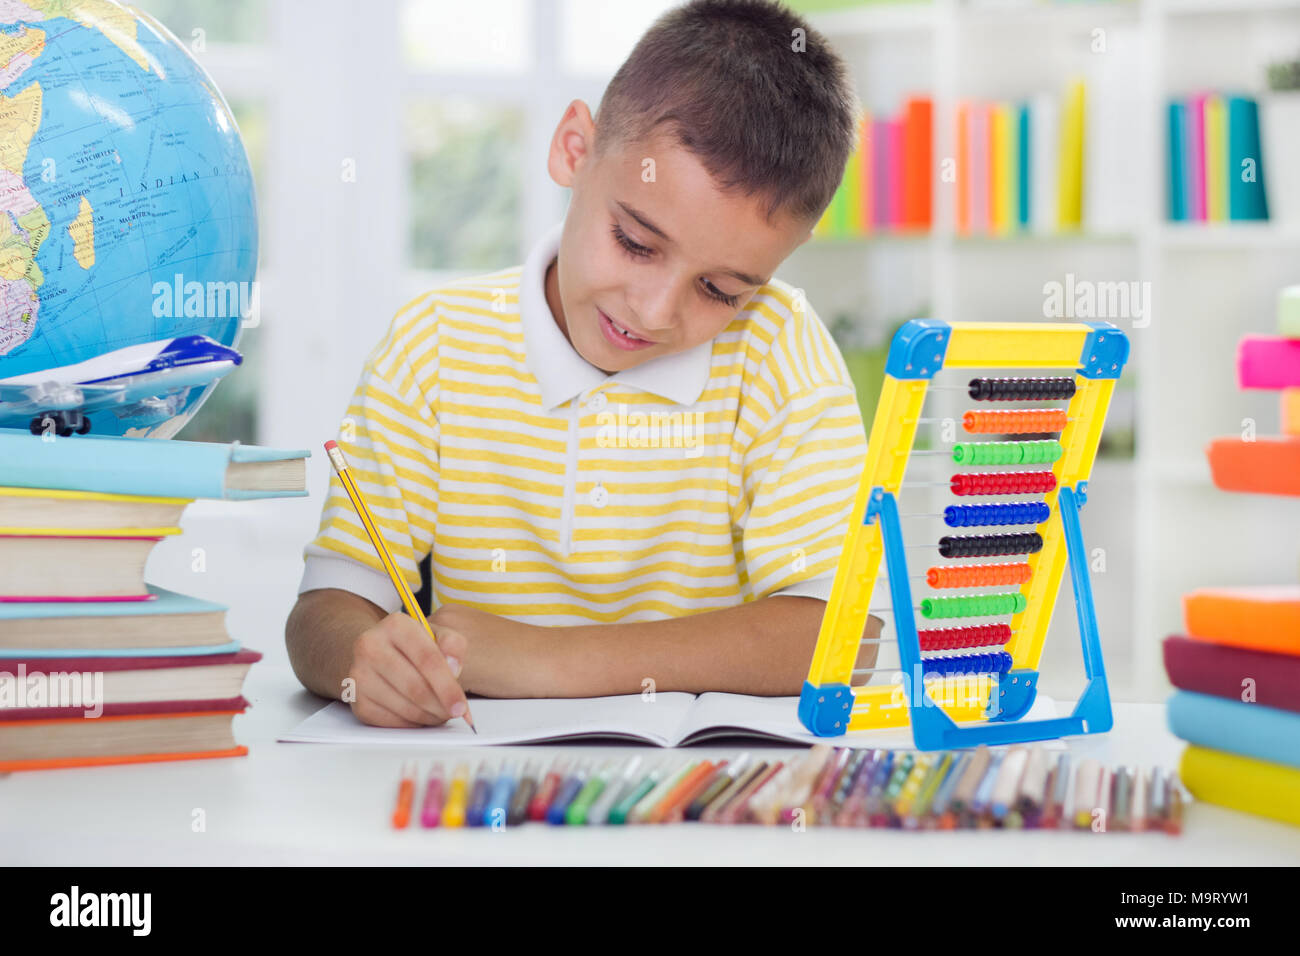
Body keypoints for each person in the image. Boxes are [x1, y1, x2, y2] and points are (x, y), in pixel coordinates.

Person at [286, 0, 885, 727]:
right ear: (575, 148)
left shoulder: (779, 351)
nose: (656, 311)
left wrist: (544, 659)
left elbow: (843, 634)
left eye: (720, 289)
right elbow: (325, 609)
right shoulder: (434, 346)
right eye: (635, 242)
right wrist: (361, 660)